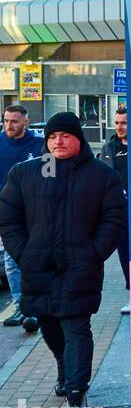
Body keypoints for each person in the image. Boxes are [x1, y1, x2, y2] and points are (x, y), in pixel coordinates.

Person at [0, 111, 127, 407]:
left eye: (65, 136)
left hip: (80, 265)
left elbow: (114, 218)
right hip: (39, 266)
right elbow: (9, 217)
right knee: (50, 325)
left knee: (76, 326)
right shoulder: (25, 173)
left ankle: (76, 387)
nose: (58, 141)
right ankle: (63, 367)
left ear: (78, 139)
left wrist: (95, 252)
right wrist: (23, 253)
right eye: (53, 136)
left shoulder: (100, 174)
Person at [0, 104, 45, 331]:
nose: (9, 125)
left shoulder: (40, 144)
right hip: (8, 212)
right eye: (6, 120)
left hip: (35, 211)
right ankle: (22, 308)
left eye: (14, 121)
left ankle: (37, 305)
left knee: (37, 258)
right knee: (11, 260)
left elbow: (52, 175)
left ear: (26, 121)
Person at [99, 105, 130, 314]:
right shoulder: (108, 148)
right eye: (117, 123)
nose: (119, 127)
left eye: (124, 123)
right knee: (125, 253)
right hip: (119, 210)